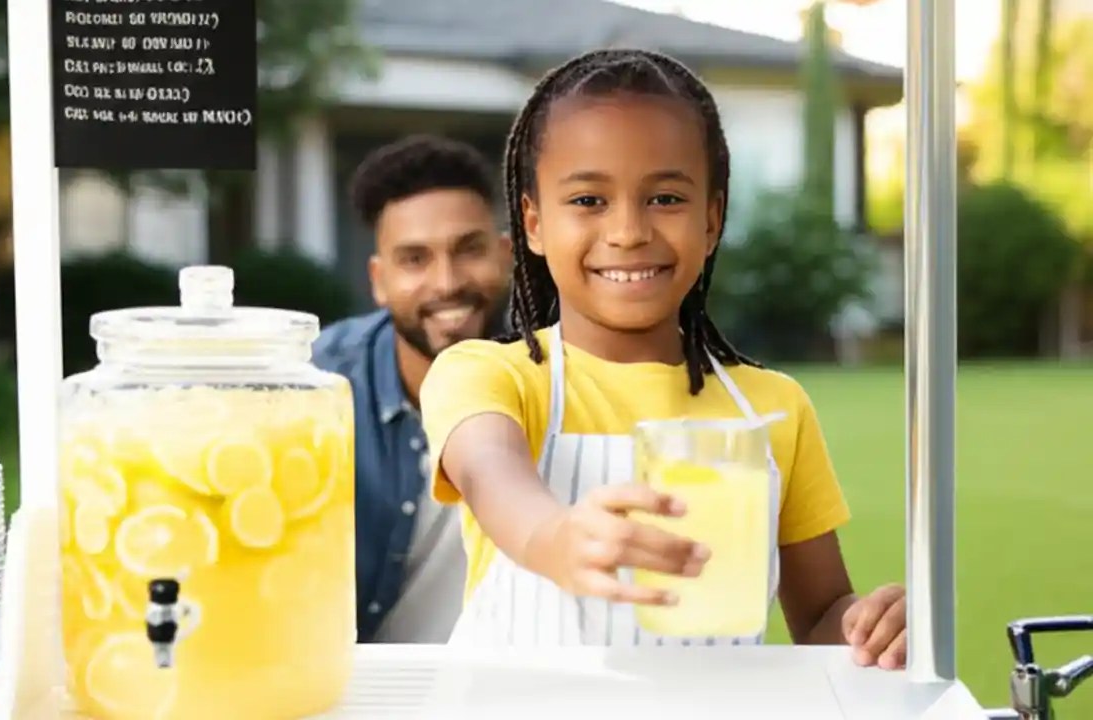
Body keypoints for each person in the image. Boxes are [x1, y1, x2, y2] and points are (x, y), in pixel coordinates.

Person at [418, 49, 908, 668]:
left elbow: (819, 617)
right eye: (589, 201)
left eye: (666, 198)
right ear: (533, 224)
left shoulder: (773, 408)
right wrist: (555, 536)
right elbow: (492, 472)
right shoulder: (489, 375)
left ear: (712, 218)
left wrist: (876, 628)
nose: (628, 231)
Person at [312, 134, 513, 643]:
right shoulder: (318, 392)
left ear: (506, 255)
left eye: (469, 250)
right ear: (379, 280)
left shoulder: (560, 370)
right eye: (414, 259)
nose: (446, 283)